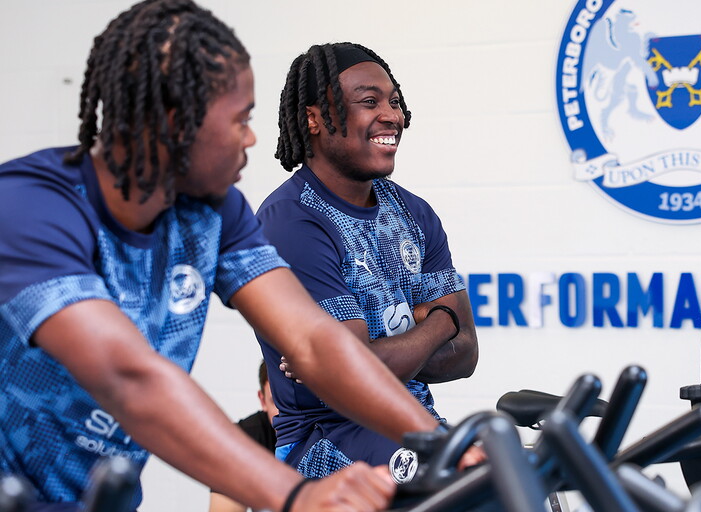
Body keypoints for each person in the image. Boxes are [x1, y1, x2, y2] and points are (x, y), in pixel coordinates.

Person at [0, 1, 449, 510]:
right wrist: (296, 494)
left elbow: (313, 340)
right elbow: (129, 380)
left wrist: (438, 444)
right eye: (240, 119)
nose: (252, 137)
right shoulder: (29, 206)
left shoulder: (214, 212)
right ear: (176, 121)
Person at [257, 42, 479, 479]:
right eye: (369, 102)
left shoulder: (414, 214)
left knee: (506, 470)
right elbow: (354, 378)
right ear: (314, 119)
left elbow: (466, 354)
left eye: (394, 101)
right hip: (326, 443)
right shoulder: (290, 221)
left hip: (415, 427)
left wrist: (392, 349)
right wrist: (439, 324)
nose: (392, 115)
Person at [210, 362, 279, 512]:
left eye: (294, 402)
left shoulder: (332, 434)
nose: (286, 414)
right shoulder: (242, 439)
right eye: (277, 402)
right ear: (263, 400)